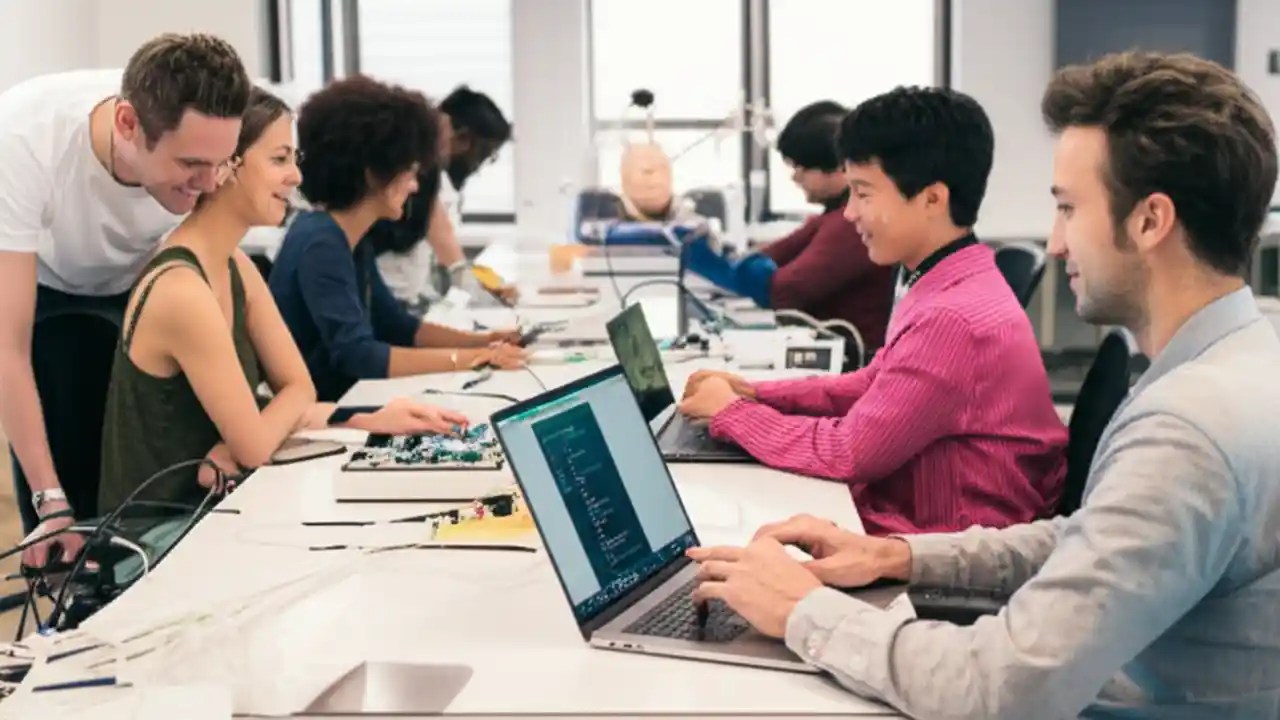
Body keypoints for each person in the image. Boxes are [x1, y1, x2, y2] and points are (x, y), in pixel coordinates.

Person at [688, 51, 1280, 719]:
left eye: (1067, 210)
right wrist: (896, 554)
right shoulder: (1239, 360)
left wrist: (802, 610)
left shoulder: (1188, 432)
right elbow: (1089, 537)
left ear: (1149, 221)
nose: (1055, 245)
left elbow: (996, 689)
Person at [679, 87, 1067, 536]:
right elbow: (873, 382)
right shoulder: (949, 278)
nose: (848, 214)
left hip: (937, 547)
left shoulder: (952, 319)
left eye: (862, 193)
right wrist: (754, 393)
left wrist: (731, 413)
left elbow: (849, 453)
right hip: (922, 514)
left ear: (932, 199)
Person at [99, 87, 467, 512]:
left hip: (214, 510)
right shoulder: (182, 290)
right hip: (159, 540)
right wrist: (256, 429)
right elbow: (257, 442)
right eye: (279, 159)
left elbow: (298, 393)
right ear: (224, 166)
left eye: (294, 159)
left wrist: (369, 415)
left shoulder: (235, 264)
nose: (295, 177)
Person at [0, 34, 250, 567]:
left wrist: (234, 435)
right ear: (128, 125)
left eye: (222, 163)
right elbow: (8, 351)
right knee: (65, 379)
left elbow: (216, 276)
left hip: (146, 276)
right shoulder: (24, 140)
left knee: (156, 463)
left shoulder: (204, 147)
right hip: (47, 283)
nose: (209, 186)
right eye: (191, 165)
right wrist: (52, 504)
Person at [269, 76, 525, 403]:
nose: (415, 186)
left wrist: (485, 342)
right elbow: (358, 354)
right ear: (375, 173)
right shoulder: (321, 242)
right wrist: (473, 359)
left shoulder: (350, 238)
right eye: (409, 171)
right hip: (323, 416)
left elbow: (397, 326)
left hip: (348, 402)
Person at [682, 100, 896, 349]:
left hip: (853, 361)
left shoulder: (849, 224)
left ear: (839, 167)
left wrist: (712, 263)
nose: (795, 177)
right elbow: (771, 255)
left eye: (802, 167)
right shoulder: (831, 217)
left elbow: (784, 292)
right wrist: (736, 260)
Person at [374, 85, 515, 307]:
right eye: (486, 153)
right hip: (391, 299)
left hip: (405, 300)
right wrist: (464, 278)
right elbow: (439, 229)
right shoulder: (421, 178)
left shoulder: (435, 181)